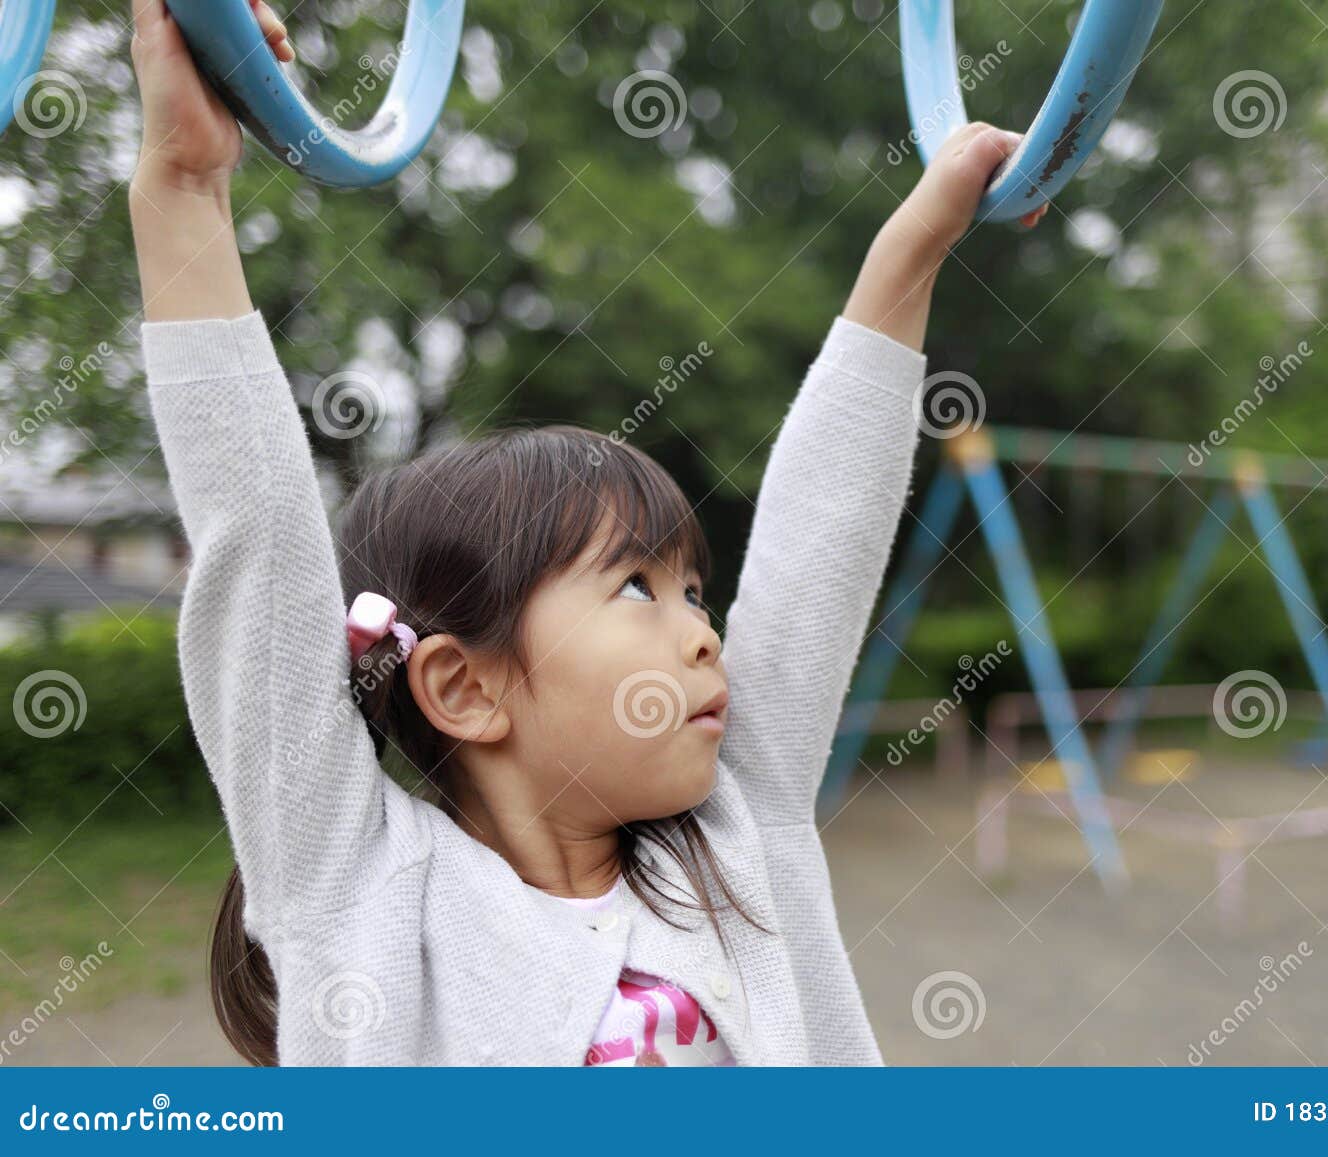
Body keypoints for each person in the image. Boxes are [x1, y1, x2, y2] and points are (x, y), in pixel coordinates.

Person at [128, 0, 1047, 1065]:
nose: (704, 635)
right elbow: (259, 542)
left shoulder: (740, 835)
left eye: (692, 592)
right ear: (465, 687)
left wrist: (918, 239)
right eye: (636, 590)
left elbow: (818, 536)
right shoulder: (358, 890)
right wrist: (184, 186)